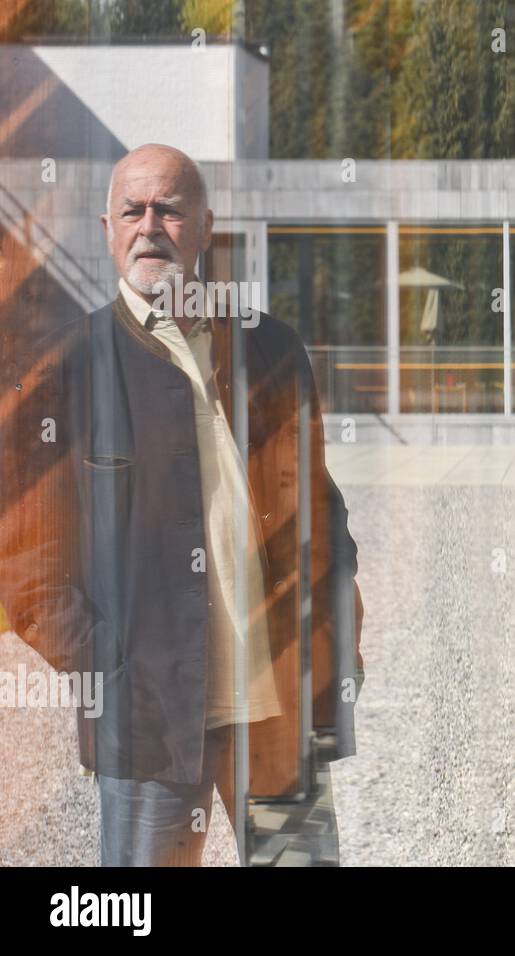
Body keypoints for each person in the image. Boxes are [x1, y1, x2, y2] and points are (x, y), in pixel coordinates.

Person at [0, 143, 365, 866]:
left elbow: (323, 516)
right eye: (132, 210)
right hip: (148, 715)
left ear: (204, 226)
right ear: (108, 228)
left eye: (168, 208)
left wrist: (337, 636)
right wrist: (108, 660)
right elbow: (24, 558)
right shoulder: (66, 369)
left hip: (277, 713)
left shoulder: (272, 349)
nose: (150, 226)